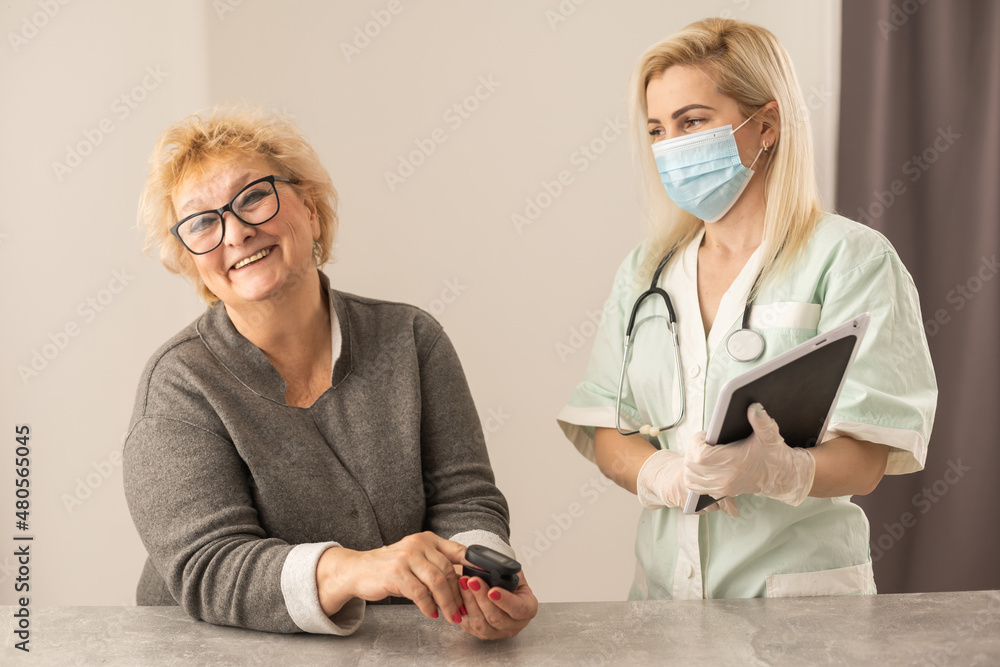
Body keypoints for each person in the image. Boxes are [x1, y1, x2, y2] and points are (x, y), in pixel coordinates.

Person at [557, 18, 937, 600]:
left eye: (692, 122)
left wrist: (778, 470)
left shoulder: (851, 259)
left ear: (766, 125)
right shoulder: (645, 271)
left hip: (801, 609)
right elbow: (608, 428)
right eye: (657, 129)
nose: (670, 146)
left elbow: (867, 458)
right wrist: (664, 474)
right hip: (663, 604)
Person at [124, 106, 537, 638]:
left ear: (311, 210)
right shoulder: (177, 385)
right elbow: (210, 565)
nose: (236, 232)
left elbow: (464, 498)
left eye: (253, 197)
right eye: (202, 222)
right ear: (192, 262)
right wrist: (352, 569)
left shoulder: (411, 338)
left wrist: (479, 582)